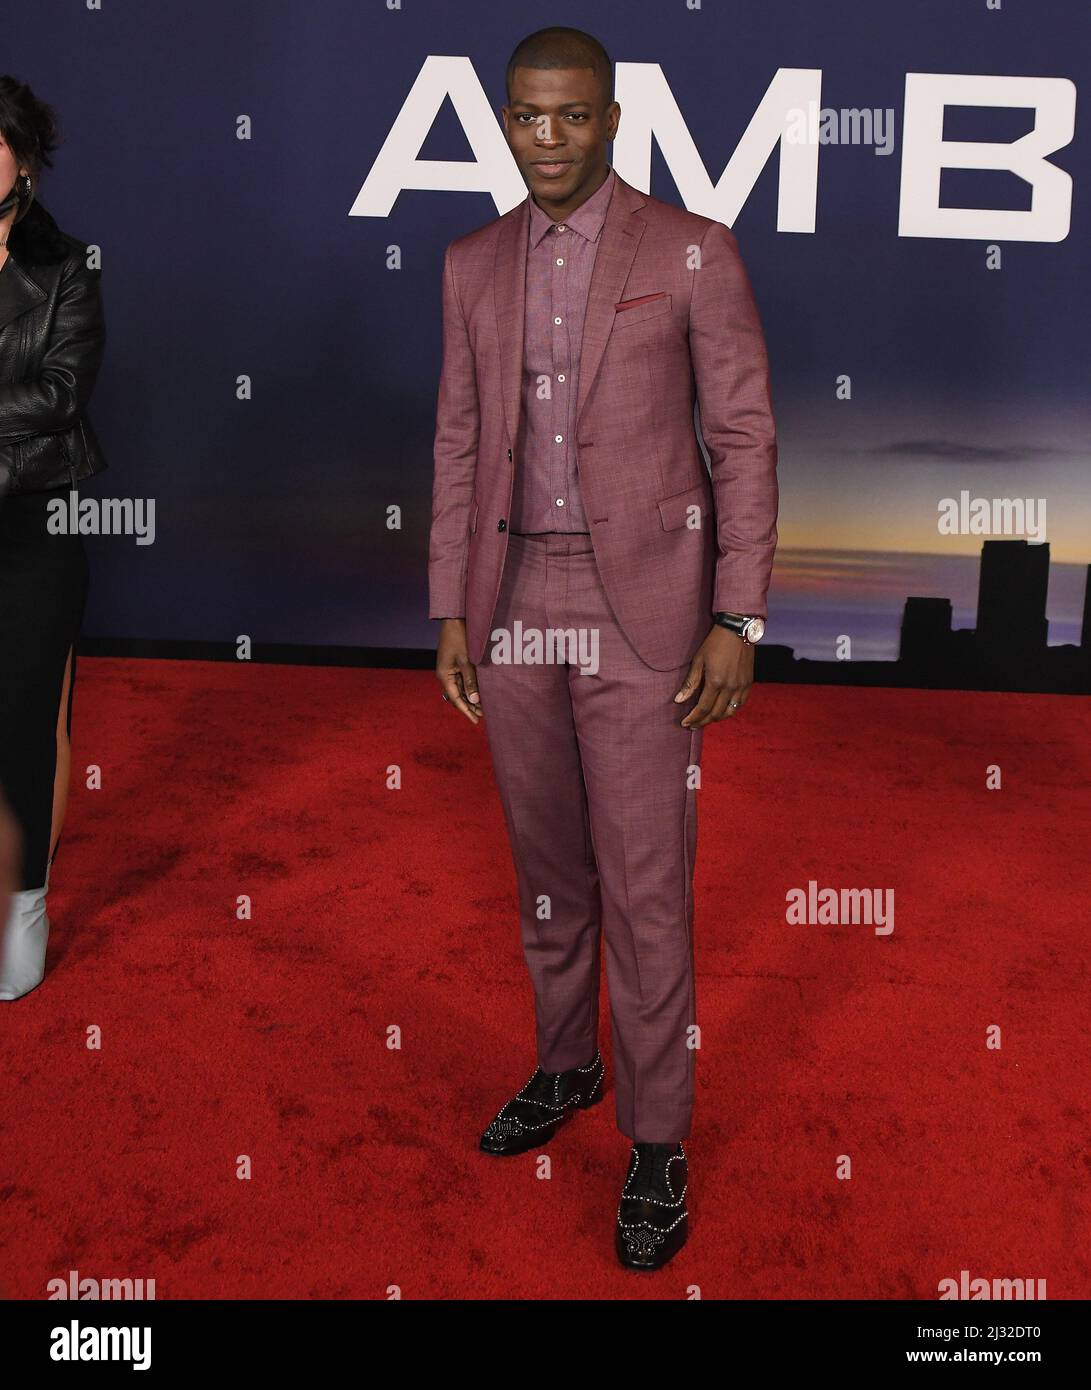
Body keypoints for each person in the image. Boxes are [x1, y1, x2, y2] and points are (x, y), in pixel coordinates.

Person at [429, 27, 779, 1269]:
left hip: (647, 616)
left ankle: (657, 1142)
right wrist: (450, 610)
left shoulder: (690, 250)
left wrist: (736, 616)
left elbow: (740, 438)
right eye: (529, 116)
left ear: (612, 120)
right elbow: (459, 445)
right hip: (513, 605)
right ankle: (566, 1066)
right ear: (505, 120)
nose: (549, 138)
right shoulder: (470, 262)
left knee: (643, 890)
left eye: (573, 116)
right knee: (546, 872)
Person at [0, 76, 108, 1000]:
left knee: (31, 720)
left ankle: (23, 902)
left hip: (36, 521)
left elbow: (62, 396)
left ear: (22, 162)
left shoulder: (66, 266)